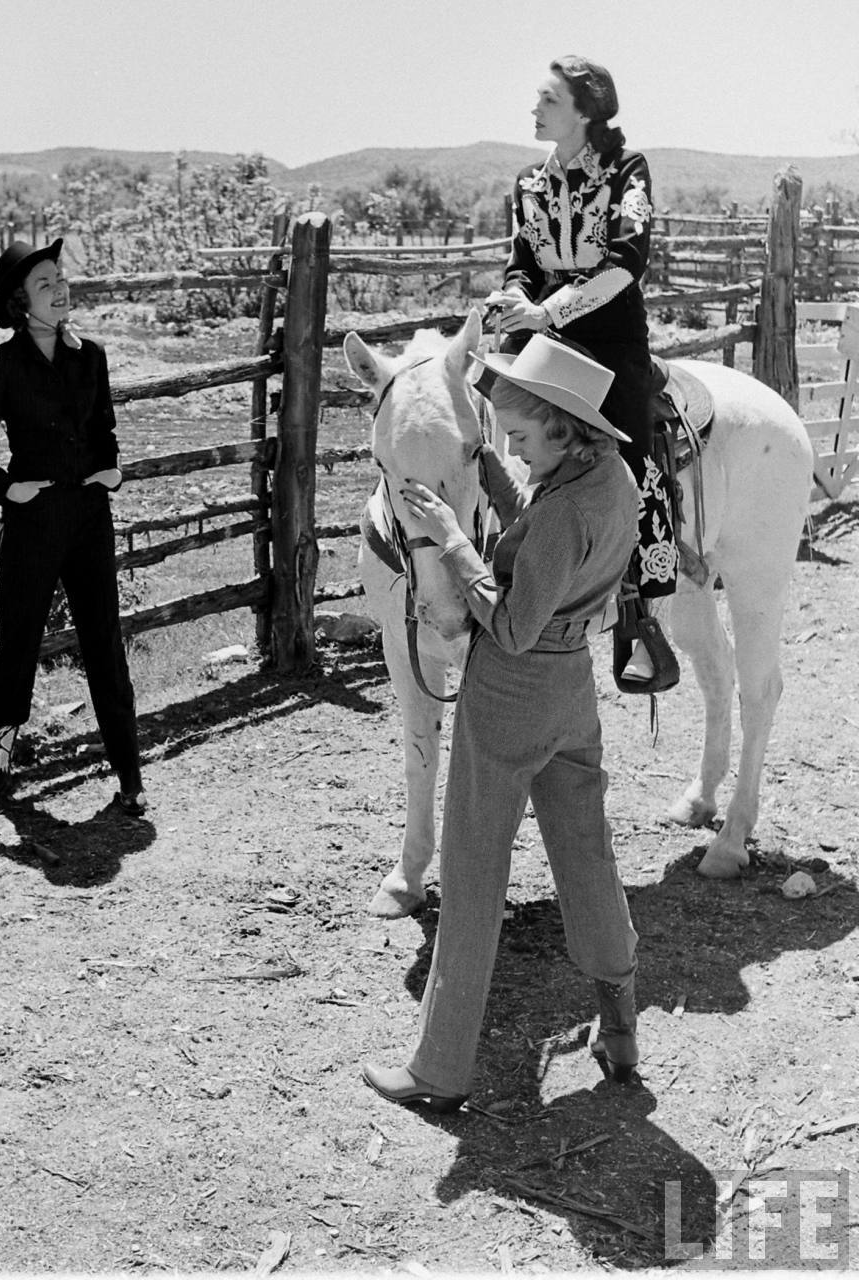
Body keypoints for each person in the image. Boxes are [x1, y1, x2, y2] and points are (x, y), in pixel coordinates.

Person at [361, 335, 642, 1111]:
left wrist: (452, 541)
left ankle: (439, 1069)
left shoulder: (562, 511)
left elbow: (514, 621)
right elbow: (547, 547)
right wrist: (487, 475)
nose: (512, 449)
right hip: (570, 691)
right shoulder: (607, 479)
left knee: (473, 872)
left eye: (519, 438)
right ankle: (620, 1028)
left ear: (560, 426)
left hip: (511, 689)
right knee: (586, 851)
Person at [486, 54, 675, 683]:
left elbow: (626, 260)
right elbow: (521, 260)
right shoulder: (527, 183)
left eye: (547, 100)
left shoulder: (628, 169)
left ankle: (639, 613)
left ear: (585, 109)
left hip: (612, 336)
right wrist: (516, 298)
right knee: (501, 422)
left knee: (631, 455)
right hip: (543, 332)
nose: (534, 110)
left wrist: (549, 312)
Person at [0, 238, 147, 816]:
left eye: (60, 277)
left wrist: (110, 472)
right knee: (17, 646)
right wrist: (9, 489)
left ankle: (129, 775)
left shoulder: (90, 354)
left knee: (104, 644)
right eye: (44, 283)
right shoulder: (3, 363)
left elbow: (105, 427)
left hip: (89, 518)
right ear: (20, 302)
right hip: (33, 523)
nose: (60, 288)